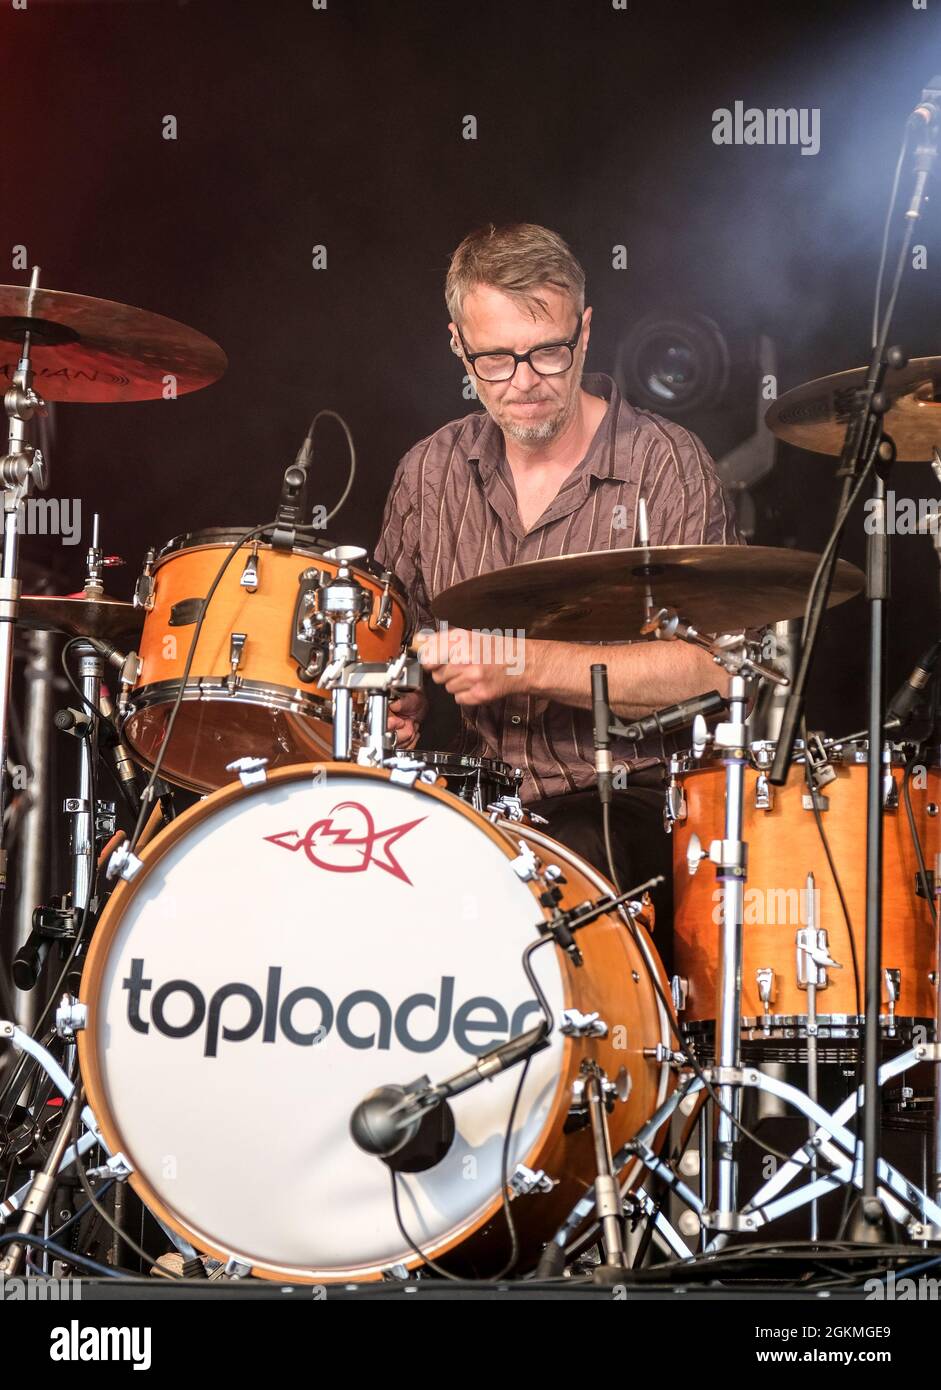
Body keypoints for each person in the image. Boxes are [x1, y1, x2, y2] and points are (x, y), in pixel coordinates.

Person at [374, 223, 740, 940]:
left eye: (547, 351)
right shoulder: (430, 470)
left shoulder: (664, 464)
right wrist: (402, 695)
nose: (523, 382)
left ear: (585, 330)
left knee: (567, 869)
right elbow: (396, 638)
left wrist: (520, 664)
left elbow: (718, 670)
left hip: (623, 802)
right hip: (473, 802)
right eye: (495, 359)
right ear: (458, 344)